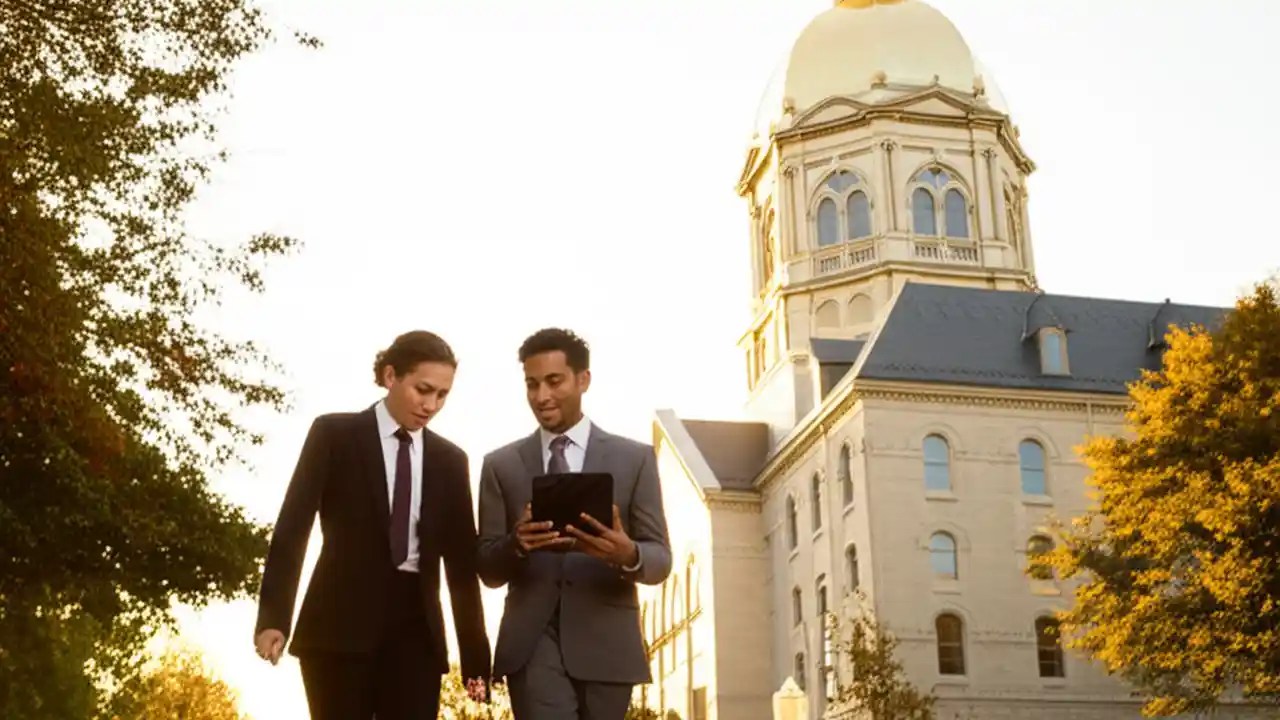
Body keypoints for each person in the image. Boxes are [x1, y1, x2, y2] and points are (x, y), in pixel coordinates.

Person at [254, 330, 491, 719]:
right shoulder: (334, 434)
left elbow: (462, 568)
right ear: (390, 375)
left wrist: (475, 658)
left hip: (416, 635)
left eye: (442, 395)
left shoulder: (451, 461)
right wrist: (274, 619)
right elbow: (293, 527)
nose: (431, 405)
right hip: (337, 627)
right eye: (423, 389)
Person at [478, 328, 671, 719]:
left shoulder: (634, 460)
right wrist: (516, 543)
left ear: (583, 380)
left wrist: (628, 553)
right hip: (532, 644)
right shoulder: (501, 465)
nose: (541, 396)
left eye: (553, 381)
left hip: (608, 645)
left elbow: (660, 557)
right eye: (531, 384)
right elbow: (486, 567)